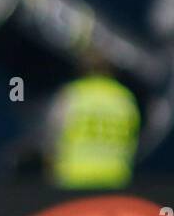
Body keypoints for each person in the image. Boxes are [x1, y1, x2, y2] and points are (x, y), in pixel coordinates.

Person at [43, 55, 140, 189]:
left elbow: (51, 136)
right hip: (115, 179)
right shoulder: (124, 99)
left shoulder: (72, 95)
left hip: (74, 179)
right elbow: (133, 140)